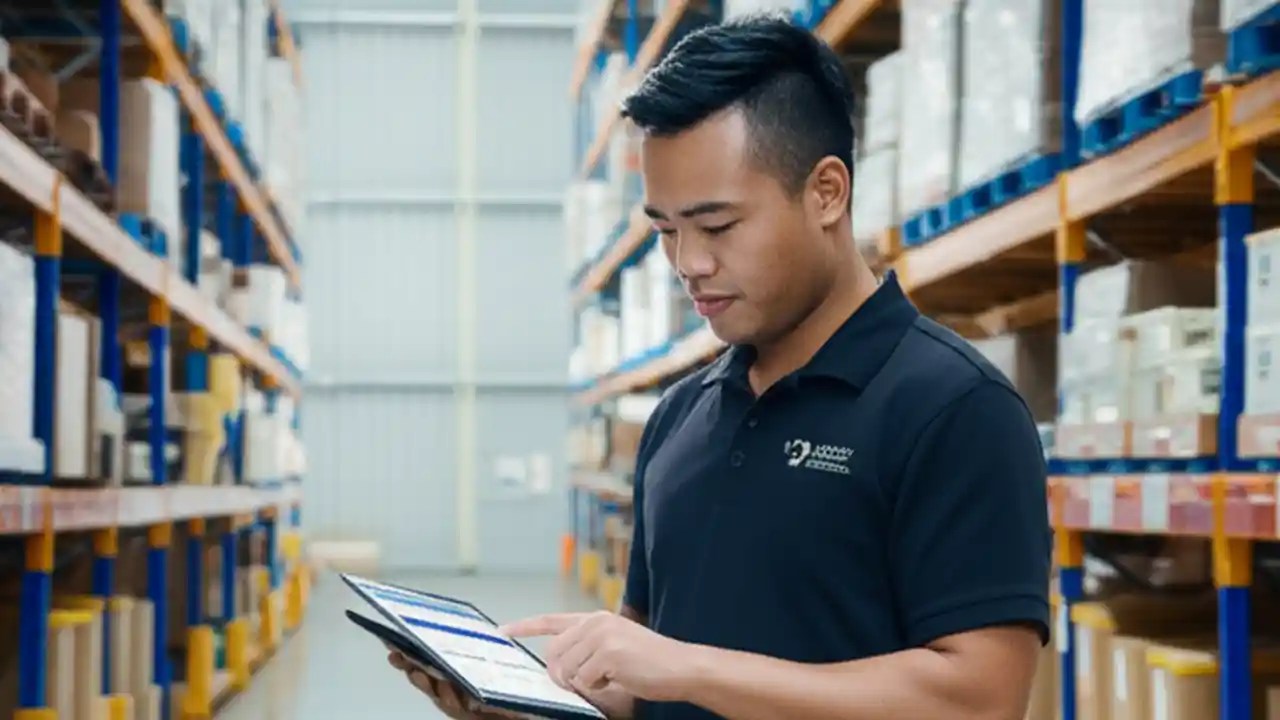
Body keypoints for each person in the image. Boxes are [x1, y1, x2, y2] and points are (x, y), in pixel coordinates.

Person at [389, 12, 1051, 720]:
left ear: (827, 192)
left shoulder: (954, 409)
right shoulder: (680, 417)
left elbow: (979, 701)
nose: (688, 264)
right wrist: (533, 704)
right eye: (667, 230)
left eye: (718, 226)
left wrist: (690, 668)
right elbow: (652, 690)